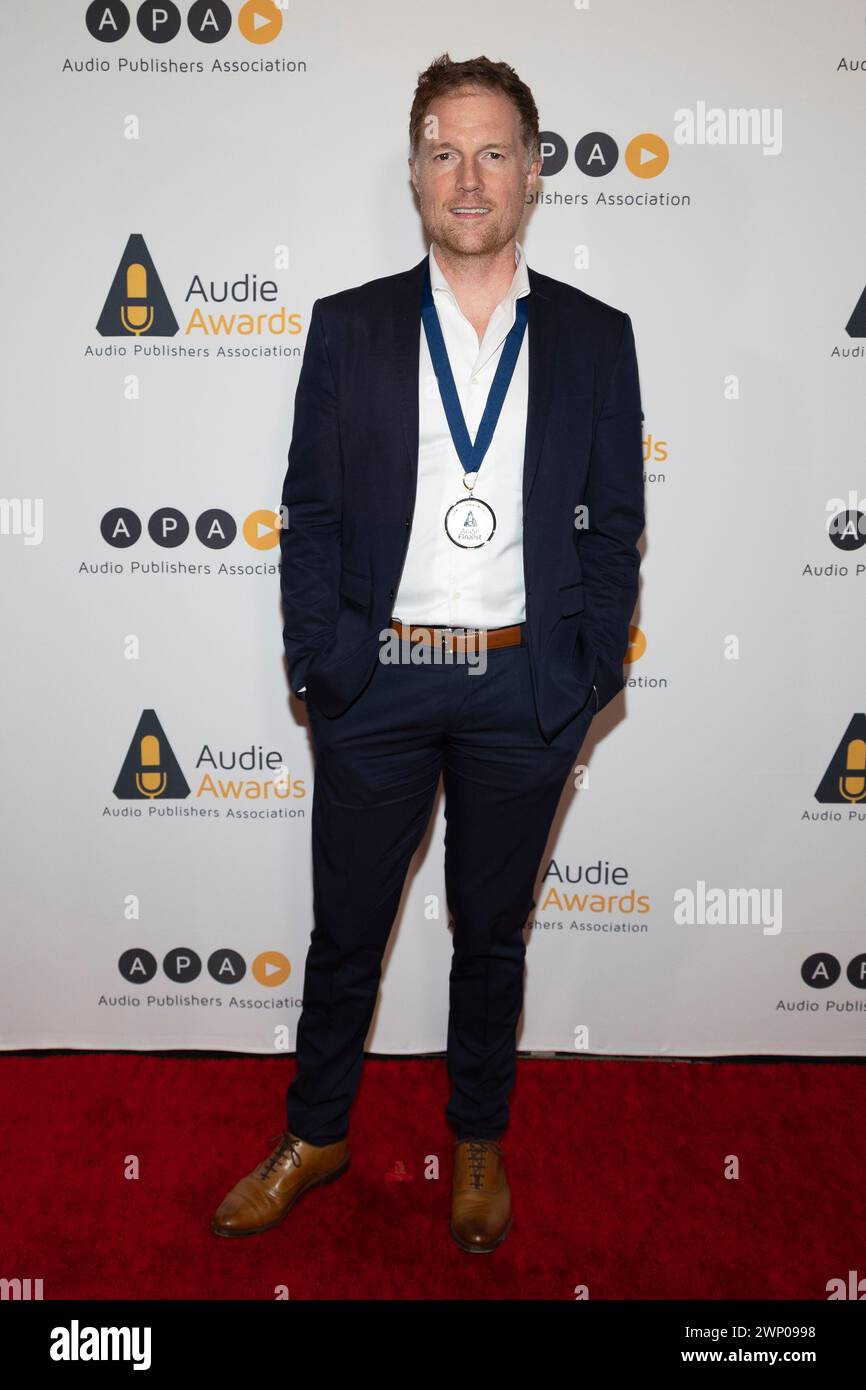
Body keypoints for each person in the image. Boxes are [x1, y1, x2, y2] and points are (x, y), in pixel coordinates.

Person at [212, 52, 644, 1254]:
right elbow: (310, 513)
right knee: (348, 927)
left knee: (490, 932)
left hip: (527, 685)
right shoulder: (348, 328)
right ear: (413, 172)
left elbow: (615, 525)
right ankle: (317, 1131)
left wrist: (585, 673)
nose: (468, 176)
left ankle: (474, 1138)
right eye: (443, 151)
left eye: (492, 150)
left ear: (531, 171)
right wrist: (321, 664)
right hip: (377, 682)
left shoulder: (594, 338)